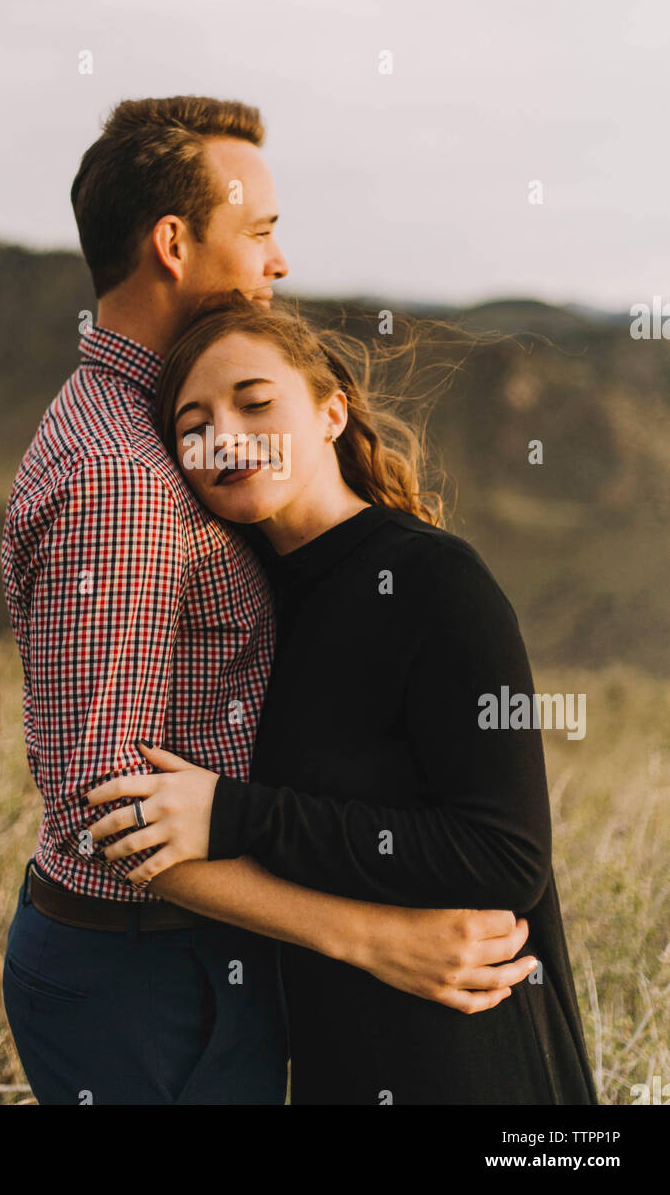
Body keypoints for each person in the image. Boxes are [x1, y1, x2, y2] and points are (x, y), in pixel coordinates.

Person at [1, 96, 538, 1107]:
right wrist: (373, 937)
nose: (276, 264)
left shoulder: (161, 430)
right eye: (258, 232)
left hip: (197, 955)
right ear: (173, 243)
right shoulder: (124, 474)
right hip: (144, 973)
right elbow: (100, 808)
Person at [88, 292, 598, 1106]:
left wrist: (235, 815)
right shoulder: (244, 604)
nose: (224, 435)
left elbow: (507, 856)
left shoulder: (435, 581)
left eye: (256, 403)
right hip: (333, 1054)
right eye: (194, 426)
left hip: (465, 1046)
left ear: (331, 412)